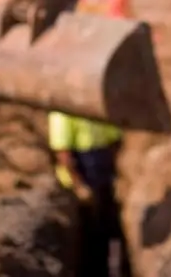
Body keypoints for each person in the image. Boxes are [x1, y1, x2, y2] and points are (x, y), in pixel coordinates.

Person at [48, 111, 129, 277]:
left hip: (101, 173)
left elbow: (115, 139)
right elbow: (63, 153)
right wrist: (78, 186)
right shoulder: (62, 113)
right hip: (80, 175)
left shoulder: (96, 107)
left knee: (108, 224)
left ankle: (113, 268)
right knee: (88, 229)